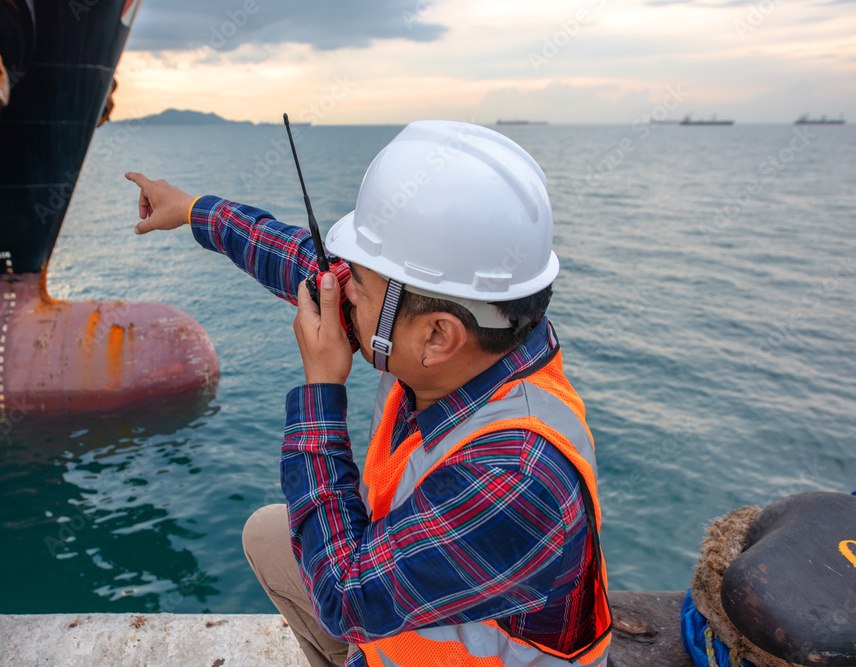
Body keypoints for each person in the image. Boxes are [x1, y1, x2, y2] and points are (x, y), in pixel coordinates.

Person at [126, 120, 612, 667]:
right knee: (269, 534)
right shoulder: (471, 336)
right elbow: (307, 270)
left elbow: (346, 597)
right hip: (407, 597)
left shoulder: (518, 478)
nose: (340, 287)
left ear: (437, 335)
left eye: (359, 282)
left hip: (423, 627)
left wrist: (321, 390)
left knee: (326, 575)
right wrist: (195, 210)